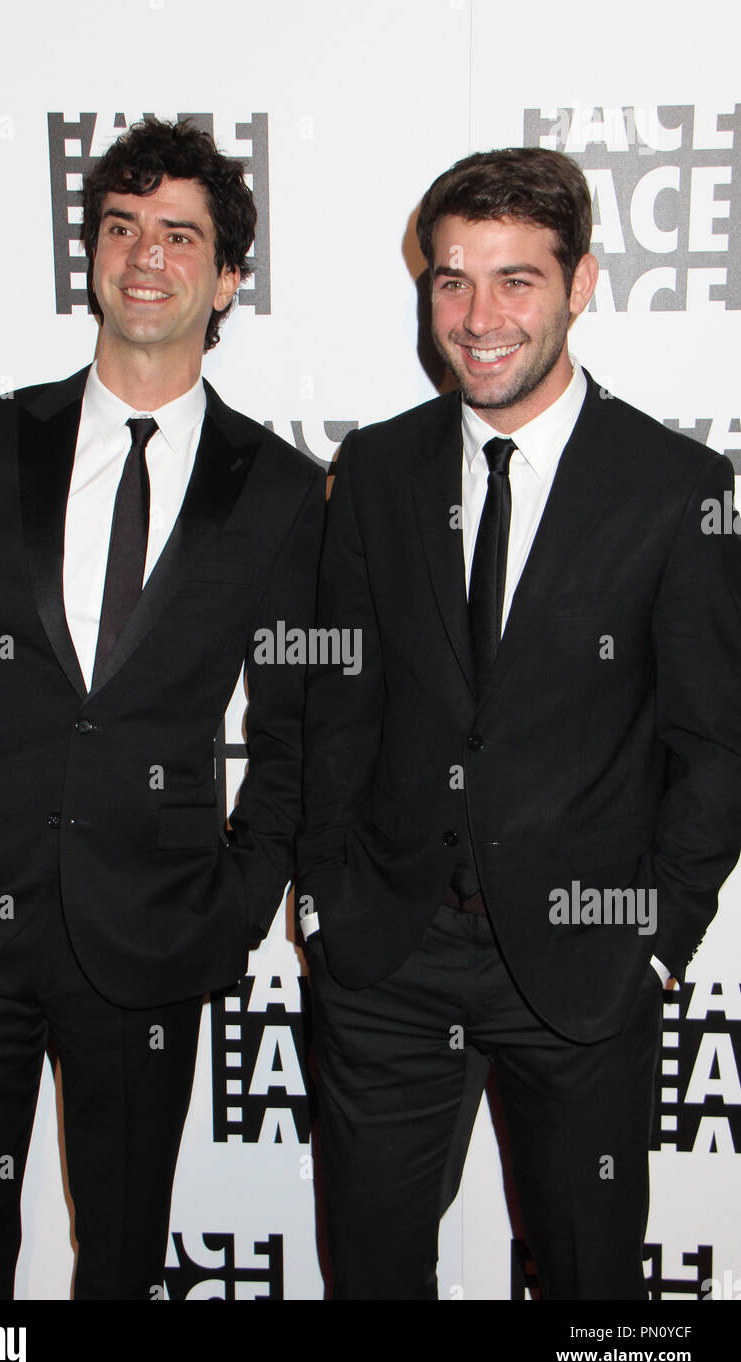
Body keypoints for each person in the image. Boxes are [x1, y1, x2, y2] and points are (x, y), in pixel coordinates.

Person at [0, 116, 324, 1299]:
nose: (145, 257)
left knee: (120, 1256)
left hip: (155, 928)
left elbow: (291, 731)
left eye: (182, 236)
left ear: (226, 277)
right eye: (122, 228)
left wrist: (234, 903)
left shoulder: (275, 488)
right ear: (92, 255)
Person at [298, 146, 741, 1300]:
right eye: (451, 279)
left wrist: (654, 939)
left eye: (514, 280)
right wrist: (324, 897)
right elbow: (336, 698)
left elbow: (714, 742)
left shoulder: (670, 485)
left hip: (586, 964)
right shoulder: (379, 468)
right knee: (372, 1276)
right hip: (389, 957)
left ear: (580, 282)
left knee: (591, 1285)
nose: (477, 316)